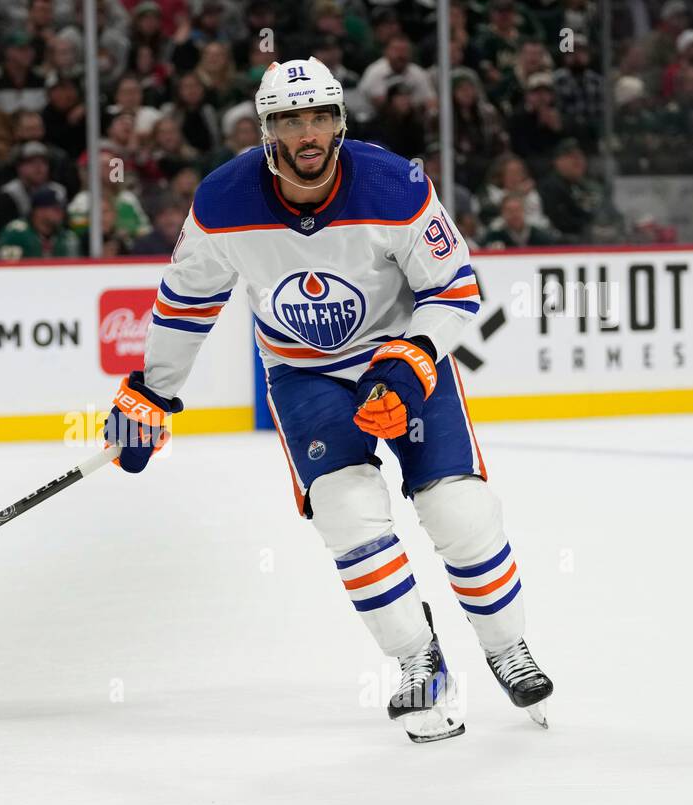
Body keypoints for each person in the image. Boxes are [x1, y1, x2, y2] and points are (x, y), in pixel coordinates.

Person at [102, 58, 553, 743]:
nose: (306, 133)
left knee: (457, 509)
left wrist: (407, 365)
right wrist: (151, 392)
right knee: (346, 513)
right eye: (289, 120)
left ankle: (506, 646)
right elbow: (186, 304)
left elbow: (455, 290)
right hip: (305, 374)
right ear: (266, 130)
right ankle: (418, 661)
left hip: (400, 361)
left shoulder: (394, 184)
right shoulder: (224, 202)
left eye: (318, 116)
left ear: (339, 121)